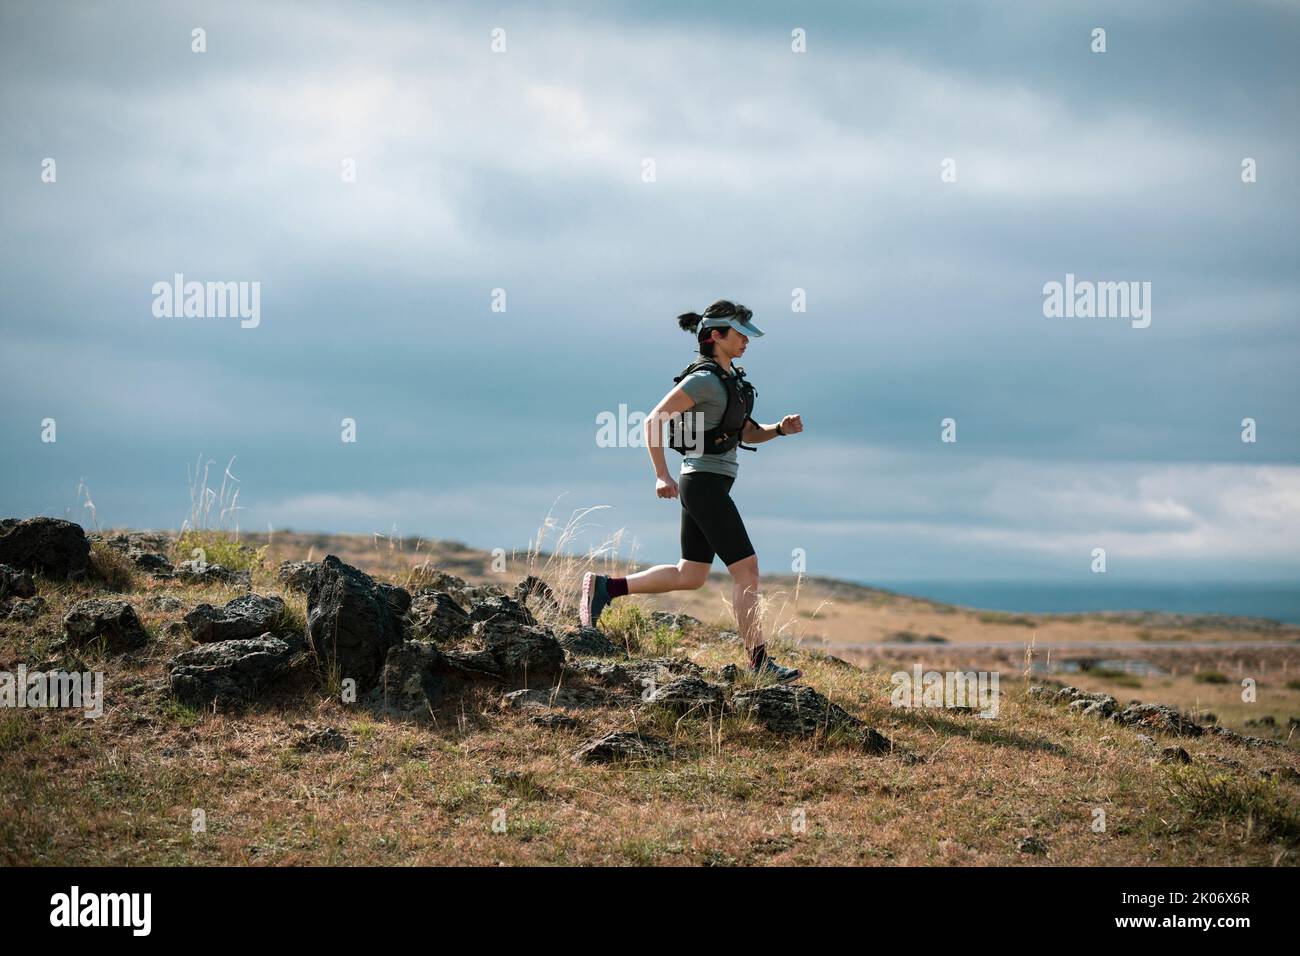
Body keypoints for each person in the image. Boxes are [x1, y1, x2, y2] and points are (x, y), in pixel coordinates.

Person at [580, 300, 805, 682]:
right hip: (702, 484)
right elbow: (653, 421)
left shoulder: (732, 380)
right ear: (716, 335)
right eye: (740, 334)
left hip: (709, 483)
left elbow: (746, 433)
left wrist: (779, 429)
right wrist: (660, 475)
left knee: (691, 574)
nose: (746, 341)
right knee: (747, 570)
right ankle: (759, 664)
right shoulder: (703, 380)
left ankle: (606, 587)